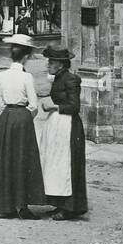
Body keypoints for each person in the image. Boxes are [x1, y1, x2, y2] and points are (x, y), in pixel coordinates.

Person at [0, 34, 46, 219]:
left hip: (6, 117)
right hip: (22, 118)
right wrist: (26, 117)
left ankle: (5, 202)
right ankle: (22, 204)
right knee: (22, 159)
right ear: (26, 56)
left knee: (5, 158)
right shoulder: (27, 77)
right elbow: (33, 104)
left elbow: (1, 102)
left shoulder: (2, 75)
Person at [34, 44, 88, 220]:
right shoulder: (58, 78)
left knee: (66, 165)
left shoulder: (71, 79)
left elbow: (74, 106)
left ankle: (69, 207)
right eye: (49, 61)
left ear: (61, 64)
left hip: (68, 126)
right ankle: (58, 203)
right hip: (57, 124)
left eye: (52, 62)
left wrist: (53, 106)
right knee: (55, 164)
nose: (48, 65)